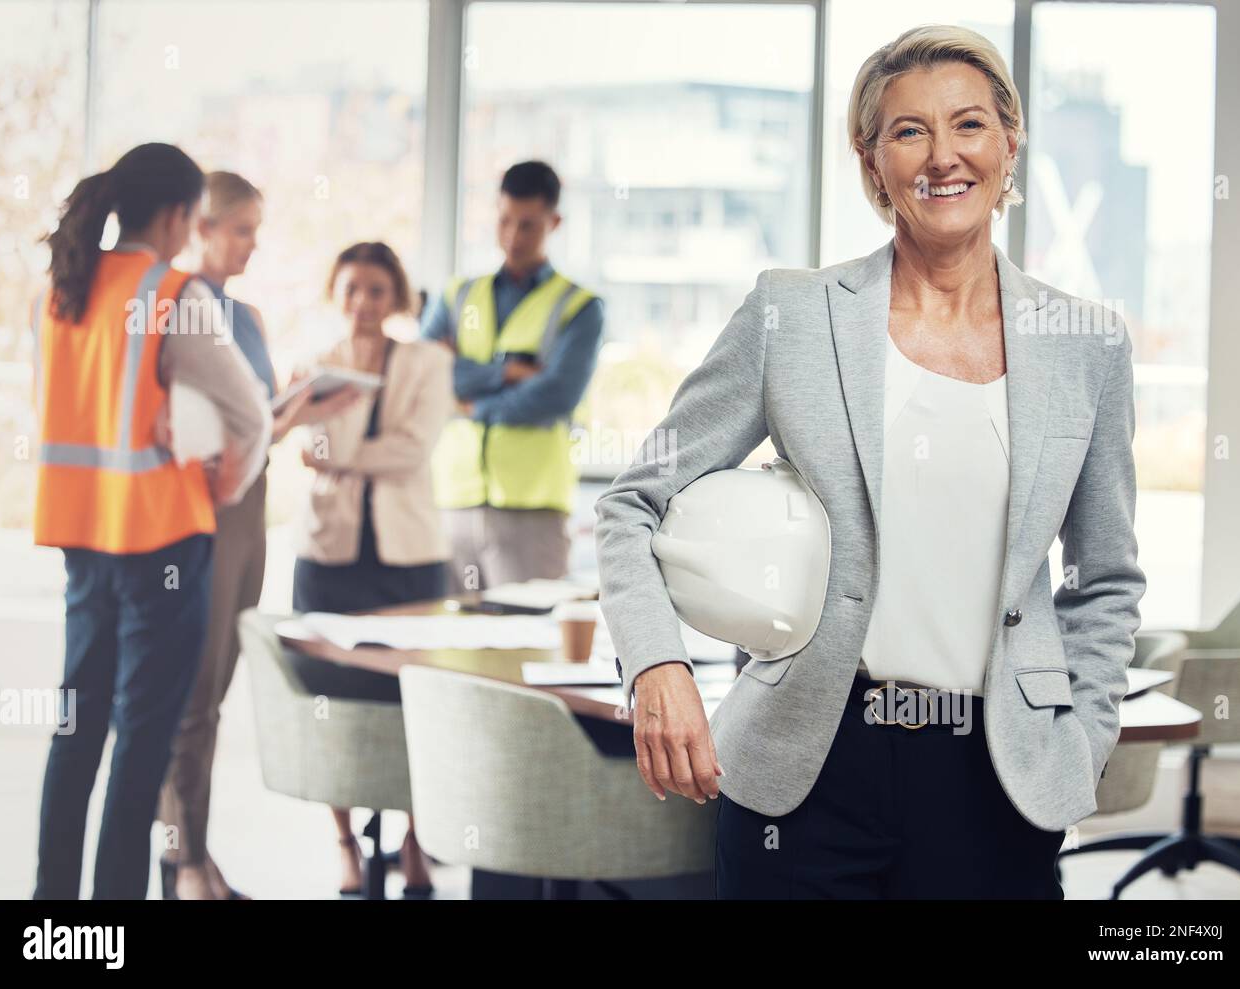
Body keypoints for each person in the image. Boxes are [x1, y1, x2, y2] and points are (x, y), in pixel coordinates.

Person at [595, 24, 1146, 899]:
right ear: (871, 160)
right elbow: (633, 504)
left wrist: (1080, 742)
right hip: (808, 768)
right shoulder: (793, 315)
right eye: (907, 130)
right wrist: (656, 664)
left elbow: (1106, 576)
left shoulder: (1088, 346)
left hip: (997, 774)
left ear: (1010, 144)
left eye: (968, 125)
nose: (942, 156)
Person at [30, 143, 272, 899]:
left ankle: (55, 916)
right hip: (163, 545)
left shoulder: (64, 287)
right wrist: (225, 480)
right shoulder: (173, 292)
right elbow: (252, 416)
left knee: (76, 734)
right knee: (141, 743)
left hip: (82, 542)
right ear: (175, 217)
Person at [156, 172, 360, 900]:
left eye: (256, 230)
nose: (251, 244)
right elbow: (197, 425)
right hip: (200, 509)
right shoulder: (173, 304)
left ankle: (196, 852)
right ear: (201, 227)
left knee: (213, 692)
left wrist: (300, 411)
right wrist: (284, 420)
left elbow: (256, 419)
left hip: (250, 507)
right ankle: (183, 861)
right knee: (190, 693)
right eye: (240, 229)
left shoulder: (246, 315)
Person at [288, 242, 454, 896]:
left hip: (407, 559)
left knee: (414, 701)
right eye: (352, 289)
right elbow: (312, 448)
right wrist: (347, 442)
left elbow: (413, 451)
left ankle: (416, 839)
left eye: (377, 291)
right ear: (338, 290)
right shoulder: (315, 364)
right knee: (336, 701)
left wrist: (342, 450)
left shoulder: (428, 361)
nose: (363, 303)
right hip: (330, 556)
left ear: (398, 298)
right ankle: (344, 842)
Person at [422, 160, 604, 593]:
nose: (513, 237)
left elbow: (555, 395)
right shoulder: (458, 294)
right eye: (505, 221)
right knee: (449, 648)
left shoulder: (578, 307)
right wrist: (508, 372)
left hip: (533, 510)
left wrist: (473, 403)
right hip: (454, 502)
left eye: (529, 225)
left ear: (554, 222)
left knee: (528, 646)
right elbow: (425, 370)